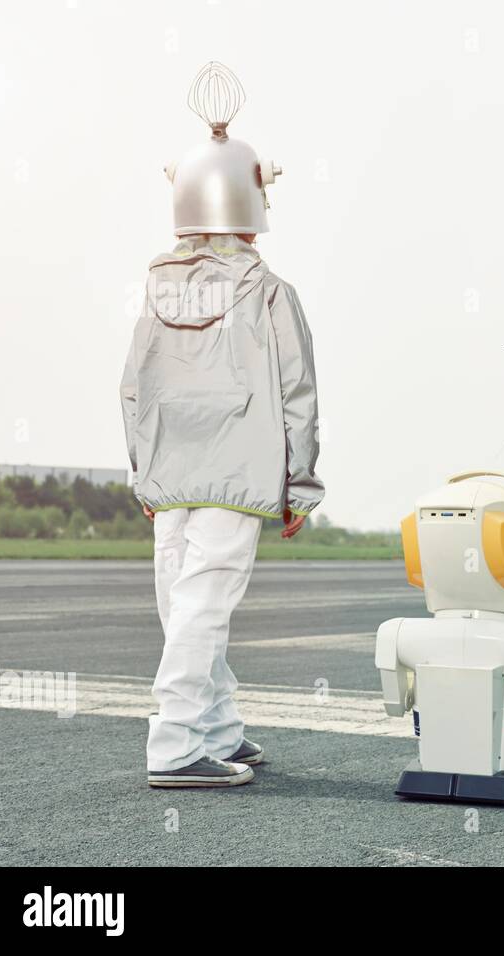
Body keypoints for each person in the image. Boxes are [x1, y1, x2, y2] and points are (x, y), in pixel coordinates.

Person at [120, 63, 323, 788]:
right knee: (204, 607)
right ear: (252, 200)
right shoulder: (270, 293)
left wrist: (142, 470)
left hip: (171, 470)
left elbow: (135, 385)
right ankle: (175, 749)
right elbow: (297, 392)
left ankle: (219, 730)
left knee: (186, 607)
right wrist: (300, 487)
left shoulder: (155, 285)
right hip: (239, 470)